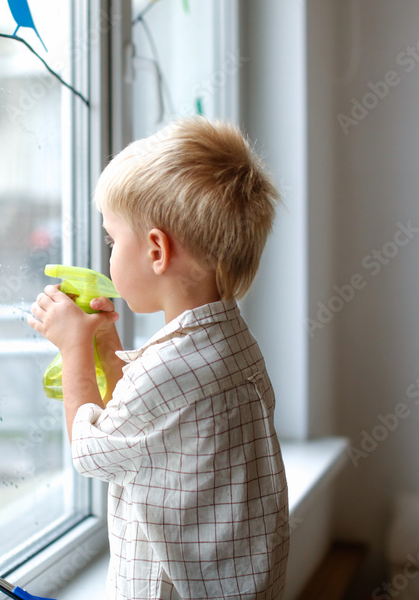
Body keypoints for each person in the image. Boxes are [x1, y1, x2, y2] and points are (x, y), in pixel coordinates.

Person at [28, 116, 289, 599]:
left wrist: (74, 350)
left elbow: (93, 451)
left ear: (156, 250)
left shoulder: (171, 369)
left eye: (112, 240)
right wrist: (106, 349)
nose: (108, 255)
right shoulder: (227, 340)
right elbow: (155, 423)